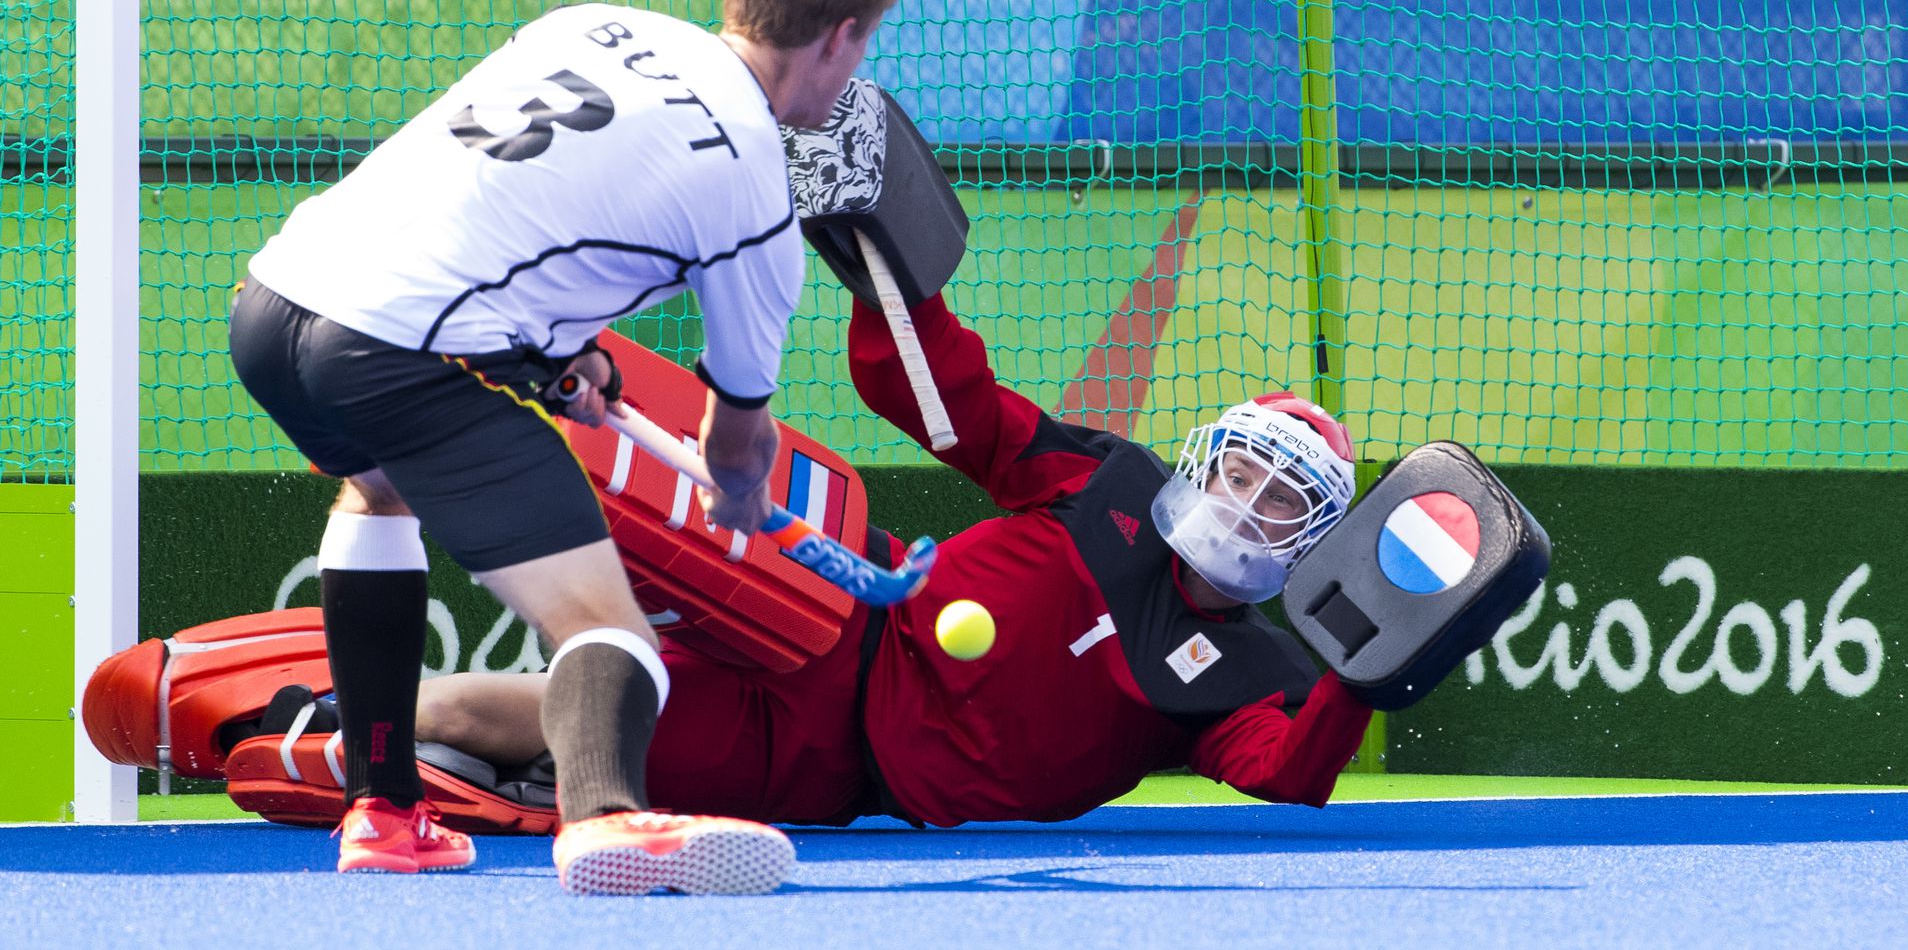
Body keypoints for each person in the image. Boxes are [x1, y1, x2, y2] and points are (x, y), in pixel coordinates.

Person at [224, 0, 901, 892]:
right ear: (841, 37)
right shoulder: (755, 190)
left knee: (380, 494)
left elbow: (501, 194)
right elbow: (737, 436)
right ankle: (607, 822)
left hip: (277, 303)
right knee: (608, 628)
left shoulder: (595, 25)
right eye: (864, 44)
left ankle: (385, 810)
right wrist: (741, 498)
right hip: (404, 350)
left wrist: (562, 346)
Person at [368, 289, 1377, 828]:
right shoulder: (1103, 480)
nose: (1247, 505)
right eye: (1242, 474)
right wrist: (889, 270)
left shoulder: (1252, 680)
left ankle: (331, 712)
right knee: (607, 473)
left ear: (1309, 538)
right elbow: (958, 410)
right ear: (1207, 461)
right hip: (836, 597)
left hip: (828, 766)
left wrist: (1380, 663)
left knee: (526, 726)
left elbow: (1286, 774)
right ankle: (430, 383)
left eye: (1281, 498)